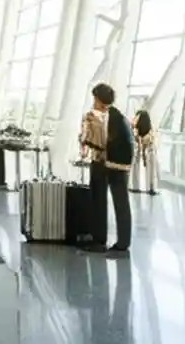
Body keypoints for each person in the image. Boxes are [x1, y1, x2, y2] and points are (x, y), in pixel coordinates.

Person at [78, 83, 133, 256]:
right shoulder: (117, 117)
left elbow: (97, 141)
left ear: (99, 100)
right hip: (115, 164)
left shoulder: (103, 117)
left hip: (108, 164)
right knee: (114, 202)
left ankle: (109, 242)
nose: (93, 102)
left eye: (95, 99)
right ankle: (113, 241)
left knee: (108, 202)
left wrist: (85, 137)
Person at [130, 110, 159, 195]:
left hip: (148, 154)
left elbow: (146, 141)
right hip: (142, 154)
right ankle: (139, 186)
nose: (135, 119)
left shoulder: (150, 132)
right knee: (139, 167)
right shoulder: (136, 130)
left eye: (137, 118)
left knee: (149, 169)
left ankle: (150, 187)